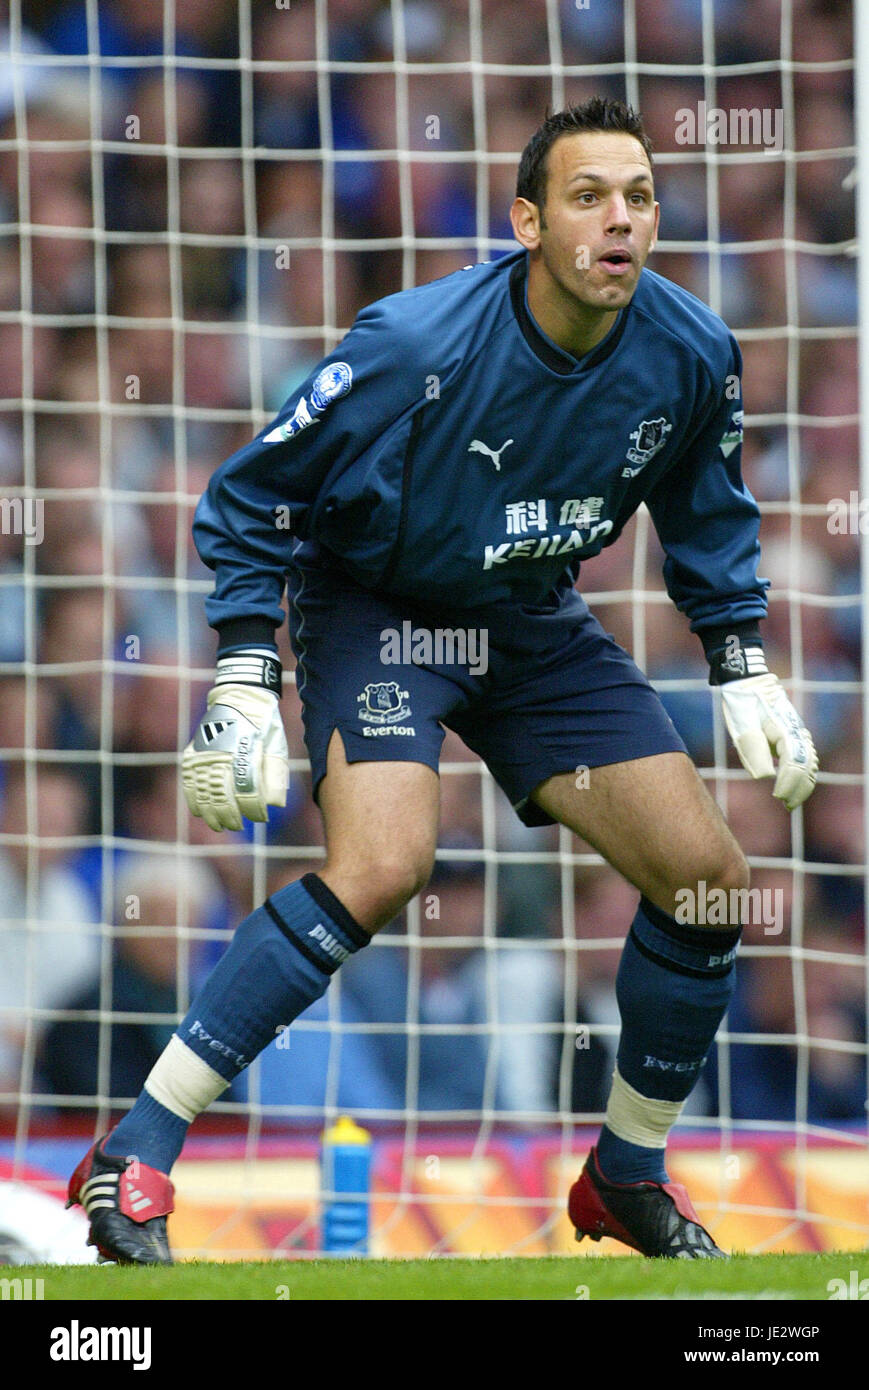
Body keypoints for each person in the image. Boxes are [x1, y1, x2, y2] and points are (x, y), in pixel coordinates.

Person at [68, 98, 817, 1265]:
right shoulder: (414, 345)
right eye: (586, 197)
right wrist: (243, 667)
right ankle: (136, 1151)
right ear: (526, 220)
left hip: (527, 623)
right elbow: (249, 495)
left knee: (706, 878)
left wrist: (740, 657)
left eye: (638, 197)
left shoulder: (689, 351)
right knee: (380, 868)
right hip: (380, 607)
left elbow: (704, 514)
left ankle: (622, 1177)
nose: (619, 220)